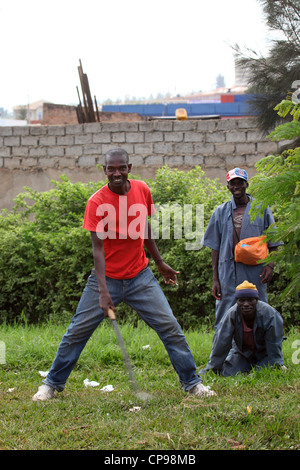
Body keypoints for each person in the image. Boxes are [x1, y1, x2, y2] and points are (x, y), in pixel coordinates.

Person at [33, 148, 215, 401]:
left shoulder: (142, 189)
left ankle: (192, 383)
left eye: (121, 168)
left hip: (140, 276)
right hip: (105, 279)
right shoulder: (96, 202)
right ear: (104, 170)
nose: (116, 173)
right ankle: (51, 384)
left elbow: (145, 227)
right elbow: (97, 250)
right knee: (77, 332)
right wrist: (104, 292)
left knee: (170, 327)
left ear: (129, 167)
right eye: (111, 169)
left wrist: (160, 262)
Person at [202, 167, 282, 328]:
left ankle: (261, 348)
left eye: (240, 182)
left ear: (246, 184)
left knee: (258, 309)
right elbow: (215, 247)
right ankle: (223, 351)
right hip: (227, 272)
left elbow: (275, 241)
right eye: (233, 183)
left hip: (255, 271)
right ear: (228, 187)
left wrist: (270, 266)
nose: (236, 186)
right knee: (225, 312)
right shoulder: (220, 212)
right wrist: (215, 279)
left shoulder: (261, 208)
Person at [199, 281, 285, 377]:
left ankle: (259, 367)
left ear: (256, 300)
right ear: (237, 301)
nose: (246, 304)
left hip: (265, 353)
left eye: (250, 300)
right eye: (242, 300)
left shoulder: (270, 314)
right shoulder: (232, 314)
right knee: (227, 372)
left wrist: (277, 363)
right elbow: (222, 342)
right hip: (242, 353)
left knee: (261, 373)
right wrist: (212, 368)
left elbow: (274, 342)